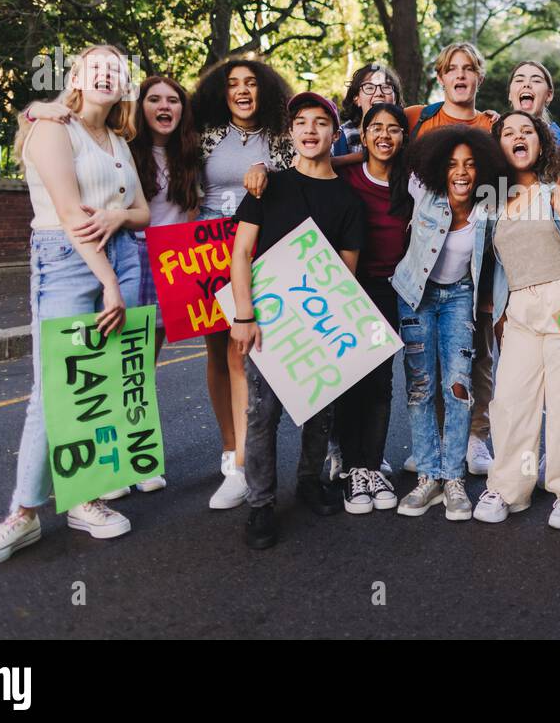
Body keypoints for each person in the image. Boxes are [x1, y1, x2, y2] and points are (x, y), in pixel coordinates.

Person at [0, 45, 150, 569]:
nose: (108, 75)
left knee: (100, 383)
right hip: (68, 260)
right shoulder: (50, 127)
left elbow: (141, 212)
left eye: (117, 70)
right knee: (55, 388)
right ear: (75, 76)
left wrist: (117, 222)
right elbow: (69, 213)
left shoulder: (117, 140)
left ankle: (82, 497)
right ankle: (23, 513)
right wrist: (109, 281)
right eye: (97, 67)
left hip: (122, 255)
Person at [227, 92, 366, 549]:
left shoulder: (347, 200)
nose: (310, 130)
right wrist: (244, 315)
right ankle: (260, 503)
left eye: (320, 123)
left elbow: (346, 272)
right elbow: (242, 253)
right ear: (291, 133)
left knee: (320, 411)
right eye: (301, 122)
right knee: (262, 412)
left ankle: (309, 480)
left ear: (334, 133)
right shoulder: (268, 187)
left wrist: (328, 321)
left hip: (319, 322)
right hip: (266, 321)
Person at [474, 110, 560, 530]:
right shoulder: (492, 199)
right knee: (511, 401)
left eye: (526, 131)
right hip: (520, 309)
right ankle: (509, 487)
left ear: (541, 141)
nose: (517, 137)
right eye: (507, 133)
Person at [192, 58, 295, 511]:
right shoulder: (204, 134)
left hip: (259, 252)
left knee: (242, 354)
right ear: (222, 92)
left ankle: (240, 466)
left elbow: (300, 183)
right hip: (204, 251)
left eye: (251, 83)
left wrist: (269, 176)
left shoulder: (282, 135)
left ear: (264, 90)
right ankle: (228, 448)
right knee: (217, 353)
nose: (242, 91)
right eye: (233, 84)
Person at [391, 126, 505, 521]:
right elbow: (388, 148)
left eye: (471, 165)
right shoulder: (424, 192)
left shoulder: (489, 207)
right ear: (439, 167)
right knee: (421, 388)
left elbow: (534, 185)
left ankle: (453, 477)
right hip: (415, 297)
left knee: (458, 387)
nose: (461, 172)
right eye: (453, 164)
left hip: (459, 297)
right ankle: (428, 476)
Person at [100, 74, 201, 502]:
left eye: (173, 100)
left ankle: (141, 458)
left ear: (182, 109)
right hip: (131, 258)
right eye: (154, 99)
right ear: (140, 107)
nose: (164, 106)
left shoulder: (193, 155)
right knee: (119, 363)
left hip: (175, 264)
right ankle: (111, 464)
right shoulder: (119, 149)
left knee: (144, 368)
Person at [403, 42, 498, 476]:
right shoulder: (418, 119)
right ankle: (437, 442)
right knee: (429, 363)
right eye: (451, 69)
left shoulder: (492, 126)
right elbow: (375, 152)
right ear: (440, 77)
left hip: (472, 255)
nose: (460, 76)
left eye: (468, 69)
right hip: (425, 255)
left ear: (479, 77)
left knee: (474, 356)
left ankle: (476, 436)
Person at [334, 102, 412, 513]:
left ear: (403, 137)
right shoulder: (344, 176)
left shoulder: (413, 183)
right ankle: (351, 469)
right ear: (362, 136)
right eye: (376, 128)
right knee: (351, 381)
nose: (385, 135)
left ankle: (371, 464)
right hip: (349, 288)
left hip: (390, 291)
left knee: (380, 382)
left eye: (394, 129)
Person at [333, 62, 401, 157]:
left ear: (395, 98)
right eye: (369, 88)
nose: (378, 93)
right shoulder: (340, 137)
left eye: (386, 87)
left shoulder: (408, 133)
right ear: (357, 98)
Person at [506, 60, 560, 145]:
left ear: (549, 95)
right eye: (519, 80)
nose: (526, 84)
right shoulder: (495, 139)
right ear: (510, 94)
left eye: (536, 81)